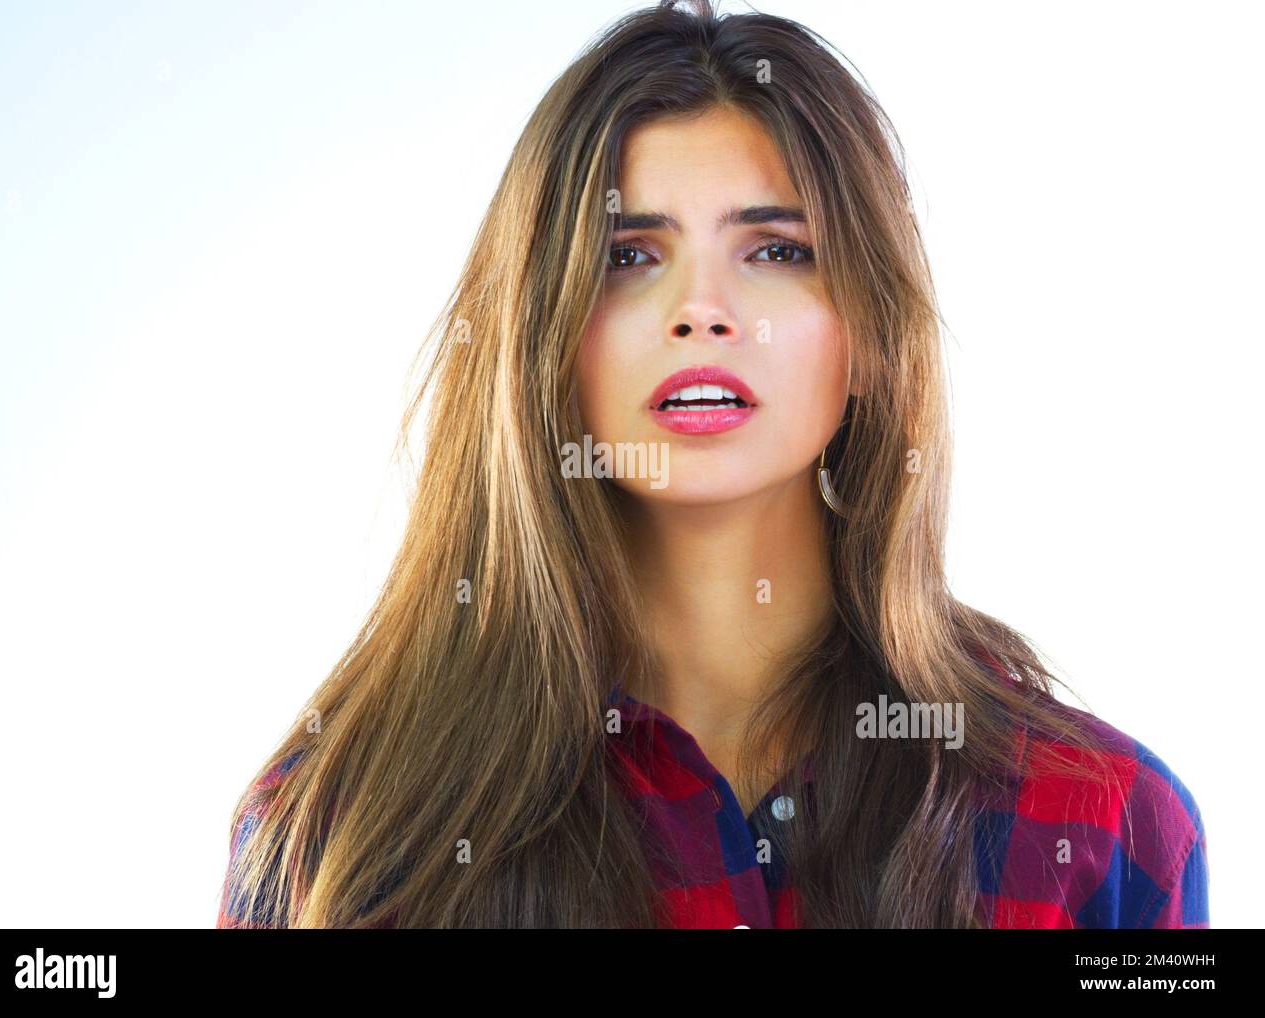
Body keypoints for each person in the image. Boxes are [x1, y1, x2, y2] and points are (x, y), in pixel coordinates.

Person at [217, 0, 1208, 929]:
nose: (701, 310)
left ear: (867, 332)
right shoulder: (333, 833)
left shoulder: (1105, 823)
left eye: (776, 250)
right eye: (628, 255)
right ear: (542, 342)